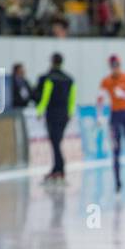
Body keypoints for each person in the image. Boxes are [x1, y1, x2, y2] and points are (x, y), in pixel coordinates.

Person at [98, 54, 125, 192]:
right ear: (110, 67)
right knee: (115, 151)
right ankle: (117, 183)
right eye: (113, 66)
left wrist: (123, 94)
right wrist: (99, 115)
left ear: (120, 65)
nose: (115, 68)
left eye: (117, 65)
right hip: (115, 116)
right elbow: (100, 98)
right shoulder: (106, 81)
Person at [35, 53, 76, 183]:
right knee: (57, 141)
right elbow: (72, 98)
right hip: (64, 114)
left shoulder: (50, 79)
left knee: (55, 142)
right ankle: (56, 169)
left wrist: (40, 110)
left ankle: (60, 169)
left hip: (52, 113)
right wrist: (70, 112)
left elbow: (46, 96)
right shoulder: (69, 79)